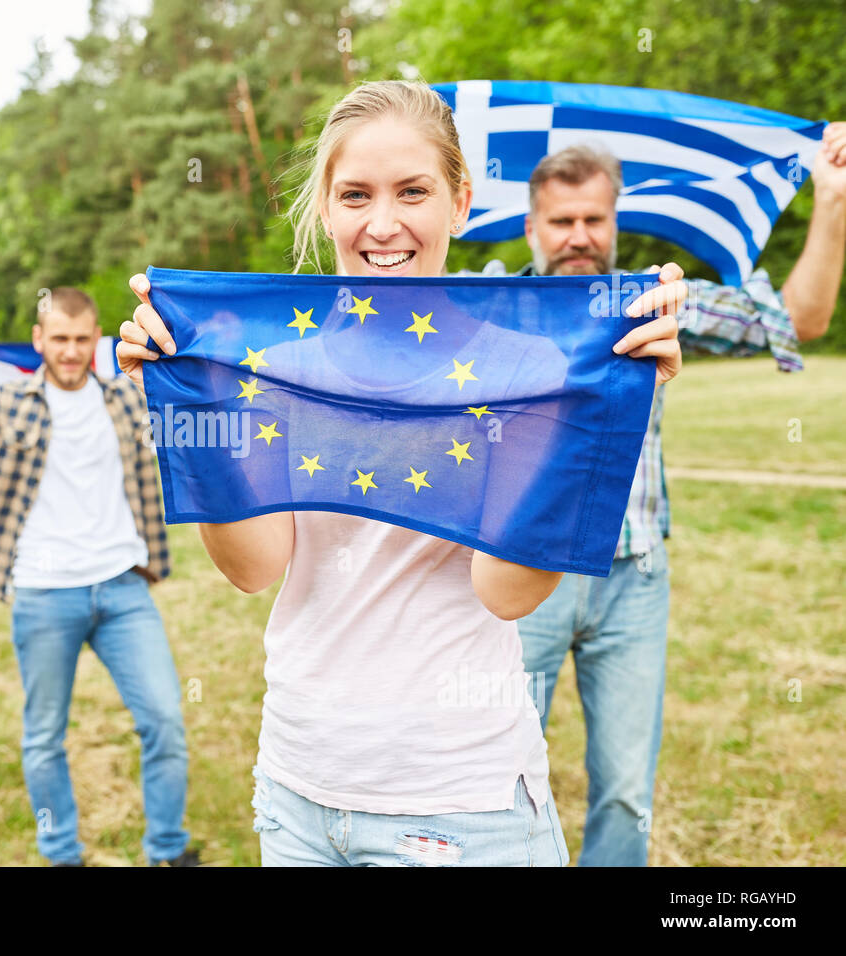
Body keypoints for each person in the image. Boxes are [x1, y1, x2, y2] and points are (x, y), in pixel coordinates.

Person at [117, 79, 688, 867]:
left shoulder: (529, 368)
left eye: (412, 192)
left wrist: (601, 416)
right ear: (324, 207)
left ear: (459, 202)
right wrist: (189, 399)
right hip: (298, 795)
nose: (382, 223)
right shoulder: (271, 369)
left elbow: (508, 590)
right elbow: (253, 569)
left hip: (460, 807)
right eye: (355, 194)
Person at [482, 132, 845, 867]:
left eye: (594, 220)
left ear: (614, 224)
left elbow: (797, 322)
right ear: (531, 227)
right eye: (561, 221)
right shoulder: (494, 303)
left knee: (625, 792)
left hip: (633, 581)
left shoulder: (654, 302)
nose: (579, 237)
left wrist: (832, 203)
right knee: (498, 780)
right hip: (523, 580)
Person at [0, 288, 198, 867]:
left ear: (96, 341)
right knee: (44, 737)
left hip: (123, 588)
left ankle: (168, 850)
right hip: (42, 593)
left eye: (83, 340)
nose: (71, 351)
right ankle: (61, 854)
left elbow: (190, 431)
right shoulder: (8, 402)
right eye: (59, 339)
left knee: (163, 720)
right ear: (39, 340)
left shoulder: (126, 401)